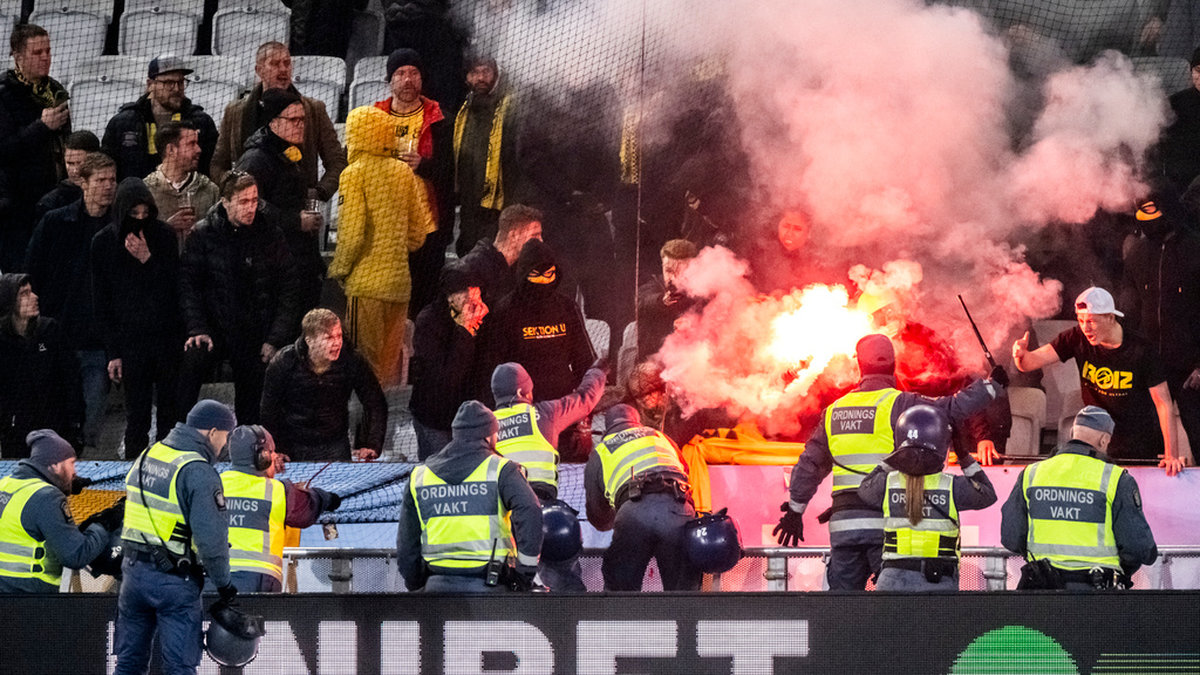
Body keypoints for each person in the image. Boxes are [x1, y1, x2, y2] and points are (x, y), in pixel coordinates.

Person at [773, 334, 1004, 591]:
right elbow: (952, 407)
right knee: (887, 612)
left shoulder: (834, 411)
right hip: (885, 526)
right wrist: (992, 387)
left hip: (844, 529)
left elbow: (810, 465)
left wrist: (795, 510)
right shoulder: (901, 404)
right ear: (893, 366)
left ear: (860, 367)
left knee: (842, 612)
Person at [115, 399, 237, 675]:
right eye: (226, 437)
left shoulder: (147, 454)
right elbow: (211, 542)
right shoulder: (198, 471)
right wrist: (224, 584)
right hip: (173, 580)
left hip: (132, 576)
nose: (225, 445)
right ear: (212, 432)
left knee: (129, 663)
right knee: (179, 666)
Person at [1012, 286, 1183, 472]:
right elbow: (1029, 363)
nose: (1085, 328)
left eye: (1092, 321)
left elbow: (1163, 403)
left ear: (1110, 317)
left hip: (1137, 442)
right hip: (1094, 440)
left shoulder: (1141, 349)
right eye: (1081, 320)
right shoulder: (1075, 337)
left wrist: (1171, 454)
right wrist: (1020, 355)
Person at [178, 171, 301, 425]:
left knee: (253, 396)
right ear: (225, 202)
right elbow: (188, 285)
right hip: (214, 327)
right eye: (244, 202)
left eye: (254, 201)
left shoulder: (269, 233)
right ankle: (179, 434)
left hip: (255, 330)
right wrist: (197, 328)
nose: (251, 208)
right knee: (190, 364)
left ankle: (250, 445)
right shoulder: (204, 234)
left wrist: (275, 338)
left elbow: (290, 286)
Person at [329, 105, 435, 388]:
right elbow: (418, 234)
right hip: (399, 287)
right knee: (388, 371)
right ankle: (384, 428)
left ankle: (364, 429)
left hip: (366, 288)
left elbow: (351, 235)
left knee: (363, 366)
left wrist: (339, 269)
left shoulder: (353, 174)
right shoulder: (404, 173)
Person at [1000, 406, 1158, 590]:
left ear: (1072, 432)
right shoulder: (1115, 478)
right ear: (1104, 439)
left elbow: (1010, 537)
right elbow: (1139, 549)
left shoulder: (1032, 473)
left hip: (1042, 592)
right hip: (1096, 595)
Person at [396, 400, 543, 593]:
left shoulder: (420, 476)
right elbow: (531, 510)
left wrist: (416, 585)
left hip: (435, 587)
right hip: (490, 588)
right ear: (489, 436)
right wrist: (524, 575)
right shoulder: (502, 470)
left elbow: (407, 543)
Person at [24, 151, 116, 452]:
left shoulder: (120, 228)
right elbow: (32, 271)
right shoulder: (55, 223)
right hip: (57, 335)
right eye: (101, 180)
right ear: (83, 183)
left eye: (112, 179)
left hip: (98, 341)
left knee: (91, 417)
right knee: (54, 413)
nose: (108, 186)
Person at [491, 359, 607, 591]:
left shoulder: (486, 423)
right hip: (542, 511)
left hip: (501, 516)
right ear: (521, 391)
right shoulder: (544, 413)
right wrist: (598, 370)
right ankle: (573, 620)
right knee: (563, 576)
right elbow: (585, 400)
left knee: (506, 583)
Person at [857, 405, 998, 591]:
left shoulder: (887, 483)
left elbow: (864, 489)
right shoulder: (953, 486)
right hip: (937, 582)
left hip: (892, 579)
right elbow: (988, 494)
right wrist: (963, 455)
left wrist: (897, 455)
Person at [479, 239, 596, 459]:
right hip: (522, 415)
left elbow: (585, 362)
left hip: (564, 411)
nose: (543, 282)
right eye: (536, 276)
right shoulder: (506, 310)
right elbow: (491, 369)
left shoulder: (566, 307)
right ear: (524, 274)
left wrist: (585, 413)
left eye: (549, 275)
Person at [91, 178, 182, 458]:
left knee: (170, 415)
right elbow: (102, 303)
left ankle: (170, 469)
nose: (140, 219)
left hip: (166, 338)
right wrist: (113, 353)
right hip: (131, 343)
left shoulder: (164, 236)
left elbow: (174, 289)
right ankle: (133, 473)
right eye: (134, 214)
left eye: (145, 213)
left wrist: (147, 259)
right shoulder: (103, 243)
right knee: (137, 416)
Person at [210, 41, 346, 202]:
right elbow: (217, 165)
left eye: (287, 63)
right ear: (259, 70)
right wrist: (236, 187)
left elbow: (337, 162)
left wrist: (319, 193)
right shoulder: (235, 112)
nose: (283, 69)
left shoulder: (314, 109)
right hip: (247, 211)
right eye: (275, 64)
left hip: (297, 210)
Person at [1121, 197, 1200, 470]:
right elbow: (1129, 310)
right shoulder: (1137, 254)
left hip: (1191, 369)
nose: (1149, 226)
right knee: (1147, 442)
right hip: (1150, 365)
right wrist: (1131, 357)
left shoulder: (1195, 249)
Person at [585, 403, 699, 591]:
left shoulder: (601, 450)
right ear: (637, 422)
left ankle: (626, 619)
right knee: (683, 591)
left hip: (634, 513)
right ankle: (684, 620)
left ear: (608, 426)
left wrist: (615, 518)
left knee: (621, 589)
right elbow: (685, 471)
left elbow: (598, 513)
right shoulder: (661, 437)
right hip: (677, 507)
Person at [374, 47, 453, 316]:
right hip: (388, 225)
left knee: (425, 301)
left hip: (428, 226)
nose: (408, 79)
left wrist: (424, 165)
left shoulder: (439, 119)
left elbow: (451, 170)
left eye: (414, 73)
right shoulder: (374, 118)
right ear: (390, 80)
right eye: (401, 73)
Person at [235, 87, 325, 314]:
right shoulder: (255, 159)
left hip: (295, 260)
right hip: (271, 269)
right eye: (293, 119)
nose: (300, 125)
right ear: (273, 123)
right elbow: (248, 206)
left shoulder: (290, 152)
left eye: (303, 119)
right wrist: (295, 221)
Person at [220, 424, 340, 592]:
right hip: (258, 579)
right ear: (262, 457)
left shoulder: (213, 484)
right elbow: (308, 509)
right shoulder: (277, 490)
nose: (275, 456)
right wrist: (329, 499)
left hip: (213, 577)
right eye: (272, 451)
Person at [260, 308, 387, 462]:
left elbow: (375, 401)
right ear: (309, 341)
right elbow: (269, 409)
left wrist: (371, 444)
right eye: (328, 338)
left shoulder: (351, 361)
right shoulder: (284, 362)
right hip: (293, 445)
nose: (336, 343)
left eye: (339, 336)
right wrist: (275, 449)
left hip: (335, 444)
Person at [0, 429, 115, 592]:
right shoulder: (47, 497)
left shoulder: (5, 484)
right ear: (54, 465)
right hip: (32, 596)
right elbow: (76, 555)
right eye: (71, 463)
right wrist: (104, 524)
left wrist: (63, 484)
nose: (75, 471)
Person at [0, 24, 70, 272]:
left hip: (53, 200)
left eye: (48, 51)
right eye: (37, 52)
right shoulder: (4, 94)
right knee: (20, 279)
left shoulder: (55, 91)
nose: (45, 57)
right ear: (18, 57)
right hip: (16, 207)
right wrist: (42, 126)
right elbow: (4, 150)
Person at [409, 262, 489, 460]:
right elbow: (446, 378)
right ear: (451, 298)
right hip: (436, 420)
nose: (480, 309)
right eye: (470, 301)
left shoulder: (480, 316)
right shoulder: (428, 322)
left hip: (469, 418)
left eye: (478, 299)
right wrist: (464, 331)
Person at [101, 55, 217, 182]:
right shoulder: (123, 123)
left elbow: (212, 166)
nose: (177, 89)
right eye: (169, 83)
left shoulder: (201, 122)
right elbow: (107, 168)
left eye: (181, 82)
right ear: (150, 84)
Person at [0, 274, 80, 457]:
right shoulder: (3, 343)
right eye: (24, 294)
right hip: (16, 436)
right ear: (9, 302)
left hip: (56, 431)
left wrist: (75, 425)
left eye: (32, 291)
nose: (34, 297)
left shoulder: (50, 331)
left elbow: (71, 380)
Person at [452, 54, 520, 257]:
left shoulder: (510, 108)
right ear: (467, 78)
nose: (480, 78)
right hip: (469, 200)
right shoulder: (464, 110)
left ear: (496, 74)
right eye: (475, 73)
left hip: (498, 204)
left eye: (486, 72)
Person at [143, 121, 220, 253]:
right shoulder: (145, 192)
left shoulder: (210, 190)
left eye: (197, 143)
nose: (199, 149)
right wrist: (166, 228)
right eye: (191, 144)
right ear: (171, 150)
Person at [459, 203, 543, 307]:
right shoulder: (473, 270)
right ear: (514, 235)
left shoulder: (526, 266)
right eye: (535, 235)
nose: (541, 241)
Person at [636, 238, 700, 362]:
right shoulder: (653, 286)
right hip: (654, 360)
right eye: (668, 271)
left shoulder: (701, 290)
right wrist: (661, 301)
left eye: (680, 271)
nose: (672, 278)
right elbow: (641, 302)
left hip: (694, 361)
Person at [33, 130, 99, 224]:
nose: (75, 170)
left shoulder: (109, 195)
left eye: (80, 164)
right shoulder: (49, 203)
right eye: (70, 163)